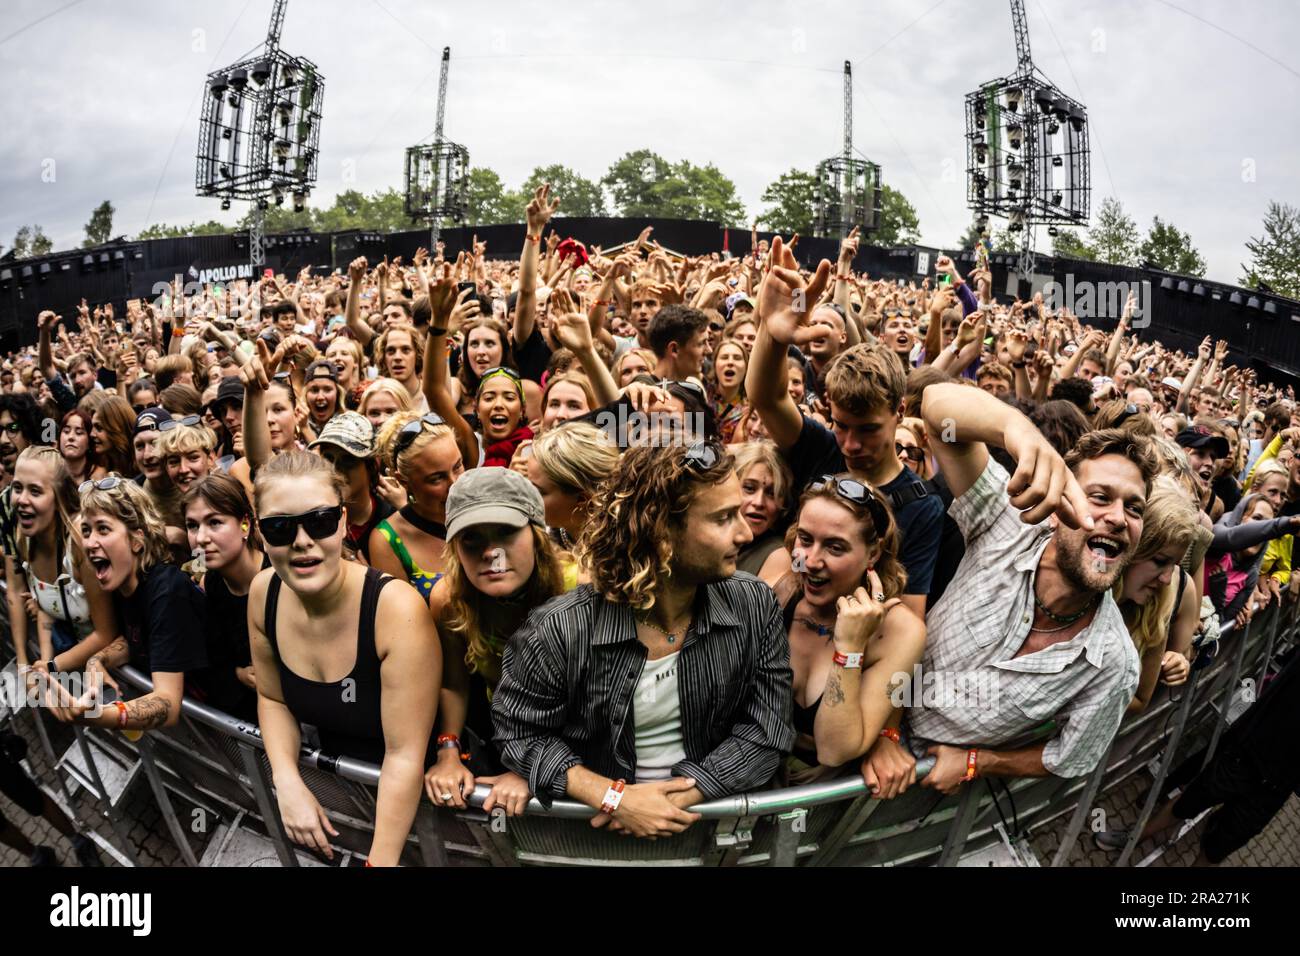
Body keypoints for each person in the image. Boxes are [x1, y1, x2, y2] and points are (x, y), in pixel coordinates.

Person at [492, 441, 795, 837]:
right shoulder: (560, 629)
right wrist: (613, 796)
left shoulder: (753, 605)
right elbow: (518, 732)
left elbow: (768, 729)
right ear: (662, 532)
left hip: (713, 835)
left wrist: (676, 798)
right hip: (596, 840)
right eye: (723, 518)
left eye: (739, 513)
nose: (743, 532)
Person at [912, 383, 1157, 790]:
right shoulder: (1007, 523)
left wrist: (979, 762)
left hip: (922, 788)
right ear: (1060, 507)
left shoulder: (1115, 665)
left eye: (1134, 508)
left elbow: (1070, 756)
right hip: (861, 725)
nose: (1118, 517)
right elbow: (936, 409)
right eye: (1100, 497)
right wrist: (1014, 427)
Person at [248, 451, 440, 865]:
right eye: (279, 528)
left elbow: (404, 753)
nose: (302, 541)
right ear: (259, 533)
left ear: (342, 521)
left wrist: (380, 861)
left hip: (432, 818)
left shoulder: (394, 609)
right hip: (343, 805)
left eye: (319, 521)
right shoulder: (264, 594)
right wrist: (287, 781)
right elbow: (273, 698)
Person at [744, 239, 943, 616]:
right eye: (841, 426)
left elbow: (909, 618)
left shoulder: (921, 506)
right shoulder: (821, 448)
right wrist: (771, 336)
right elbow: (766, 399)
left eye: (868, 430)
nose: (851, 444)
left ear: (899, 411)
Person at [424, 467, 578, 816]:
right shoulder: (450, 600)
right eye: (472, 540)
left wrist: (534, 768)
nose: (492, 553)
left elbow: (601, 706)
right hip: (503, 735)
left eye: (506, 533)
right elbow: (453, 684)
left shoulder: (580, 589)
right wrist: (448, 751)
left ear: (537, 534)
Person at [781, 476, 926, 789]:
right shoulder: (780, 583)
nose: (811, 561)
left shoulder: (900, 631)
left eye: (835, 547)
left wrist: (850, 648)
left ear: (872, 554)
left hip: (824, 796)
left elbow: (834, 750)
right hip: (752, 775)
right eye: (805, 540)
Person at [73, 477, 210, 732]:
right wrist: (97, 660)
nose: (91, 543)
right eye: (87, 531)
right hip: (197, 739)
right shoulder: (122, 586)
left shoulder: (167, 591)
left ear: (137, 539)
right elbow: (141, 638)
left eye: (103, 529)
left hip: (233, 744)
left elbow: (167, 704)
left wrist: (98, 715)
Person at [7, 447, 117, 685]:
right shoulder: (22, 534)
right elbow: (37, 602)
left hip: (117, 671)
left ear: (58, 497)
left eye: (35, 491)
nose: (22, 500)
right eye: (18, 488)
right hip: (73, 671)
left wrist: (49, 667)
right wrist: (27, 665)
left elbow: (106, 633)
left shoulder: (81, 541)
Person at [1112, 477, 1201, 712]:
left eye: (1174, 565)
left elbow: (1141, 699)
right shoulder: (1079, 588)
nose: (1166, 579)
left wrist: (1178, 660)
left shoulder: (1157, 605)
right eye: (1160, 561)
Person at [181, 473, 267, 716]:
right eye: (192, 526)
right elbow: (216, 659)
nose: (201, 538)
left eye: (215, 522)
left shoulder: (282, 577)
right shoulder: (212, 585)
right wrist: (238, 674)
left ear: (245, 525)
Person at [369, 411, 463, 598]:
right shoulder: (388, 540)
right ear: (404, 481)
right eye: (437, 478)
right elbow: (402, 620)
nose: (455, 485)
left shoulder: (484, 508)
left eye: (458, 466)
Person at [309, 412, 393, 564]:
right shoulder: (311, 518)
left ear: (371, 467)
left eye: (348, 460)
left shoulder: (391, 521)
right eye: (328, 458)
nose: (335, 469)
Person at [524, 421, 620, 551]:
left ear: (582, 499)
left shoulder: (627, 551)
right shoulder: (535, 540)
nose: (526, 497)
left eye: (537, 492)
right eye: (526, 484)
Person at [731, 440, 794, 586]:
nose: (758, 502)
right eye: (749, 488)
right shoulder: (712, 538)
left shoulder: (778, 557)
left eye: (772, 493)